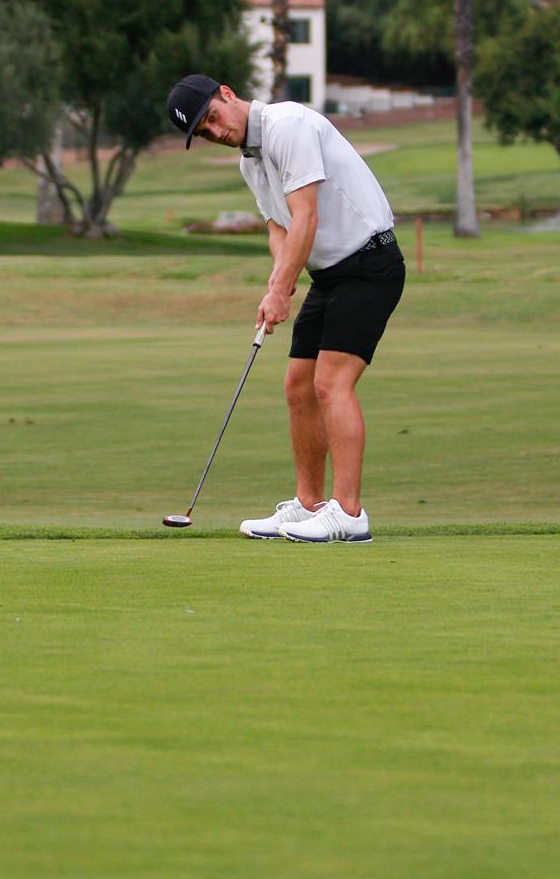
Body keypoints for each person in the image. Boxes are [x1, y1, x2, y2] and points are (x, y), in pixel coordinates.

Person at [164, 73, 405, 543]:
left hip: (369, 263)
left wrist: (282, 287)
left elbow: (307, 215)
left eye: (212, 117)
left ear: (228, 95)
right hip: (331, 274)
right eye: (203, 132)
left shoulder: (287, 125)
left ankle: (350, 515)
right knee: (298, 386)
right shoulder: (249, 163)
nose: (215, 131)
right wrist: (278, 282)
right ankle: (309, 505)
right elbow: (280, 225)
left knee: (330, 383)